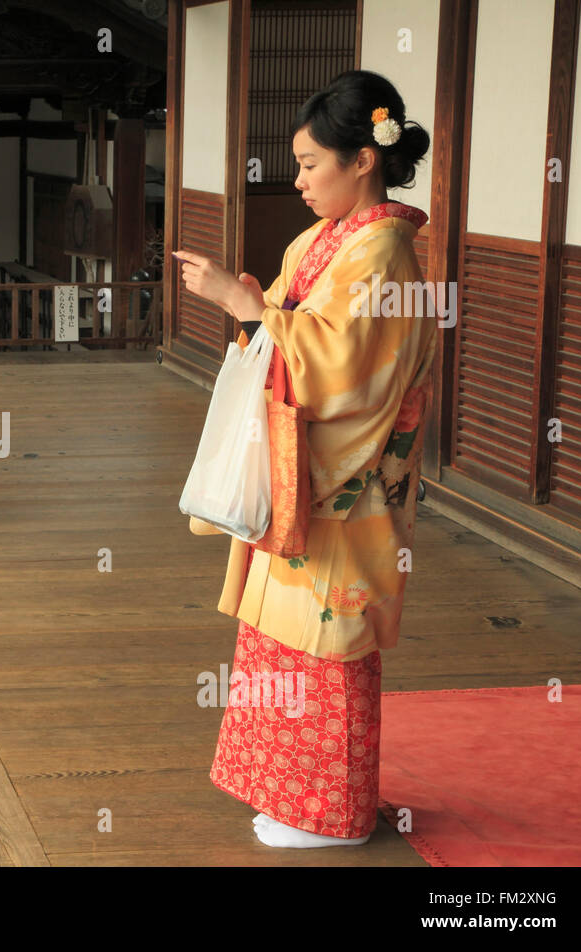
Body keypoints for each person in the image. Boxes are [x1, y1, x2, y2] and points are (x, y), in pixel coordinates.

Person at [176, 70, 434, 848]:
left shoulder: (382, 253)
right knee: (285, 634)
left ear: (364, 160)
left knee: (330, 637)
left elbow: (351, 368)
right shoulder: (322, 241)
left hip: (345, 484)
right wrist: (262, 313)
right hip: (307, 476)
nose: (298, 180)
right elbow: (294, 331)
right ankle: (291, 798)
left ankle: (331, 812)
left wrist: (253, 311)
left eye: (311, 163)